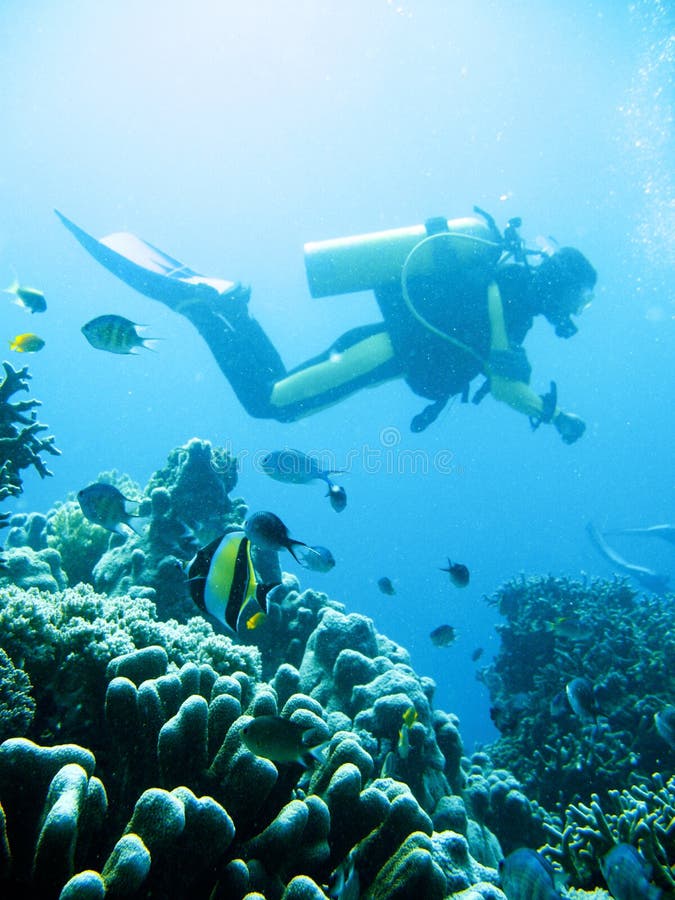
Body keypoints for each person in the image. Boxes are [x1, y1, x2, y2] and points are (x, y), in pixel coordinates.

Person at [56, 207, 596, 441]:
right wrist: (554, 415)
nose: (575, 311)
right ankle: (206, 303)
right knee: (268, 401)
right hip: (383, 350)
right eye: (578, 299)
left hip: (386, 356)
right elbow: (504, 383)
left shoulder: (511, 291)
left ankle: (225, 307)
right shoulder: (511, 293)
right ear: (560, 284)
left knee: (279, 408)